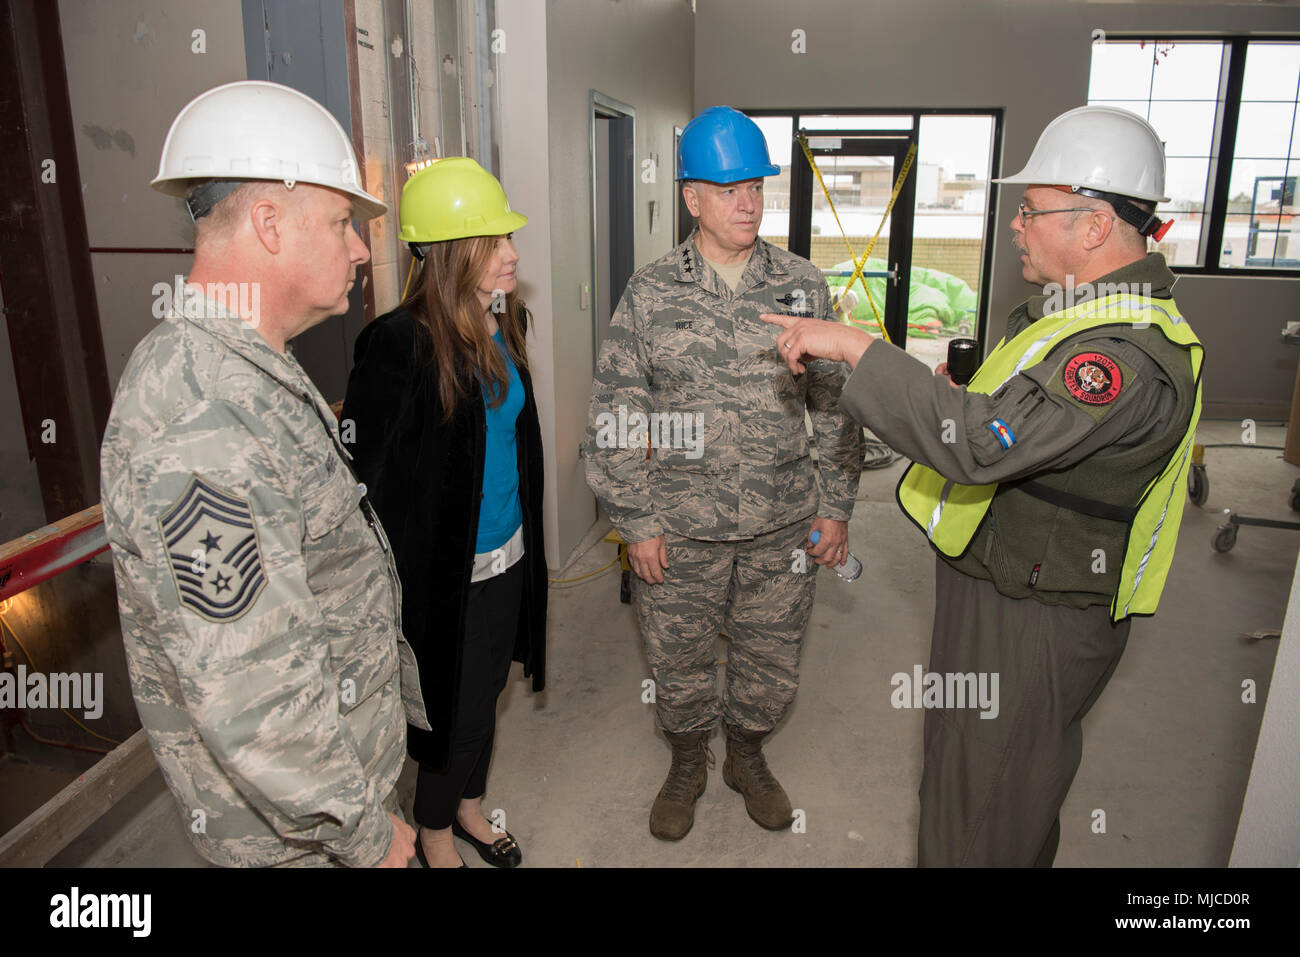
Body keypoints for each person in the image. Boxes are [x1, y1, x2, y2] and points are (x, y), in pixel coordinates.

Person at [762, 105, 1203, 866]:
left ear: (1094, 225)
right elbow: (1007, 416)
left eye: (1030, 212)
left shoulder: (1120, 352)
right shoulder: (1075, 314)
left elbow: (976, 443)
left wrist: (858, 348)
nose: (1016, 226)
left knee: (983, 812)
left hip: (1036, 614)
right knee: (983, 786)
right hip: (1004, 583)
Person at [100, 80, 428, 867]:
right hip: (304, 836)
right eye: (343, 222)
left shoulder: (251, 370)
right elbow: (254, 696)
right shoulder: (199, 411)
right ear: (270, 223)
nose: (360, 248)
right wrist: (366, 831)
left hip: (335, 791)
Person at [585, 106, 863, 841]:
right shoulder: (650, 294)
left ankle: (745, 753)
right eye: (729, 187)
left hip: (782, 522)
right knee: (677, 661)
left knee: (770, 658)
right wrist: (635, 523)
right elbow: (616, 414)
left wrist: (836, 507)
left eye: (757, 187)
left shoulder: (802, 285)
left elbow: (835, 408)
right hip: (682, 529)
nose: (748, 203)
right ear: (692, 198)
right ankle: (685, 761)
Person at [341, 157, 547, 869]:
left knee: (489, 694)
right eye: (494, 241)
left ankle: (466, 806)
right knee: (452, 715)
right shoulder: (398, 345)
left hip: (510, 554)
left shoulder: (504, 321)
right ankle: (432, 831)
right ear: (454, 254)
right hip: (444, 578)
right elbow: (368, 484)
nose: (512, 253)